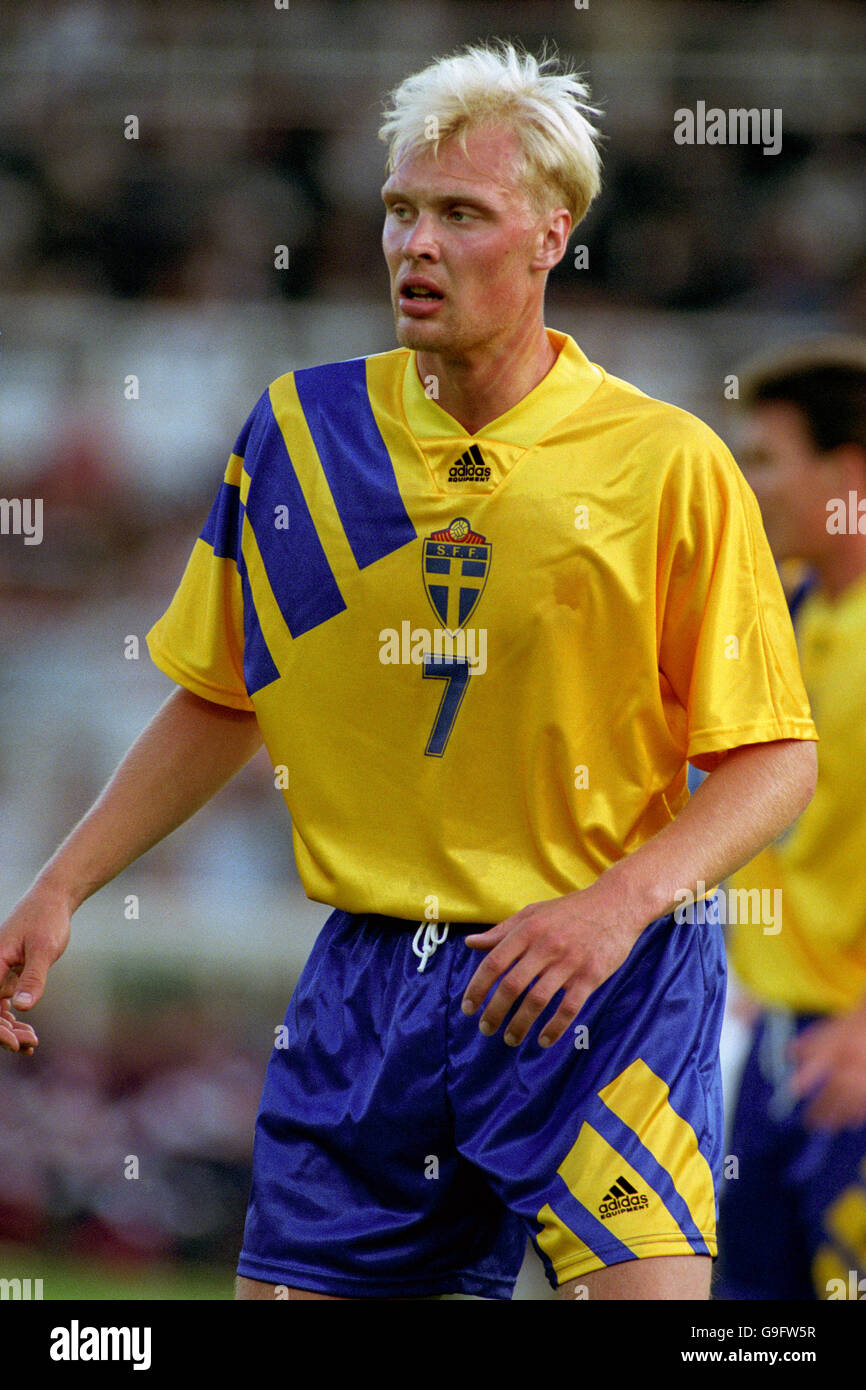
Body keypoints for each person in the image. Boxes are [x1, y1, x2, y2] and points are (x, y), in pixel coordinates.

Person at [0, 41, 817, 1302]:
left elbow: (773, 758)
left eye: (458, 214)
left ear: (550, 235)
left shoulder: (664, 465)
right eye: (398, 210)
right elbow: (223, 696)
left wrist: (614, 909)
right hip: (372, 982)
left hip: (599, 978)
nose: (413, 244)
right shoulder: (299, 437)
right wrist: (61, 887)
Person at [714, 339, 866, 1301]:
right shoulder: (786, 616)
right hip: (783, 1047)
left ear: (848, 473)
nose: (747, 481)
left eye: (766, 457)